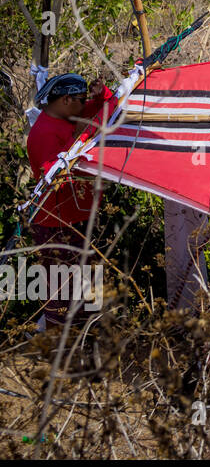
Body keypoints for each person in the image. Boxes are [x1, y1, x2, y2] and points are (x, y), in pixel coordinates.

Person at [26, 73, 116, 330]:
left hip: (77, 218)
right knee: (61, 291)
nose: (83, 103)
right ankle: (60, 347)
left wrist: (102, 95)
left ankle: (88, 337)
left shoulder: (65, 117)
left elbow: (102, 110)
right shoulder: (44, 133)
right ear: (66, 100)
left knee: (88, 286)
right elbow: (54, 177)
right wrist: (80, 136)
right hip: (57, 225)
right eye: (80, 99)